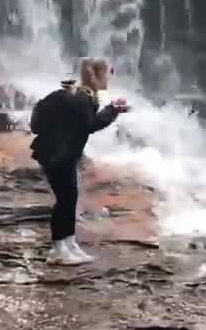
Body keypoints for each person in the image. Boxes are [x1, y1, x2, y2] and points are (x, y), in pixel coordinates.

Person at [29, 57, 130, 265]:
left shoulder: (82, 96)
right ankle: (59, 248)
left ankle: (69, 243)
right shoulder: (82, 99)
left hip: (60, 154)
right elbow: (90, 125)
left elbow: (87, 123)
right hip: (58, 156)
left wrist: (112, 109)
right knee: (65, 200)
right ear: (98, 76)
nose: (109, 78)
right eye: (108, 73)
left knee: (69, 198)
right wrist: (113, 110)